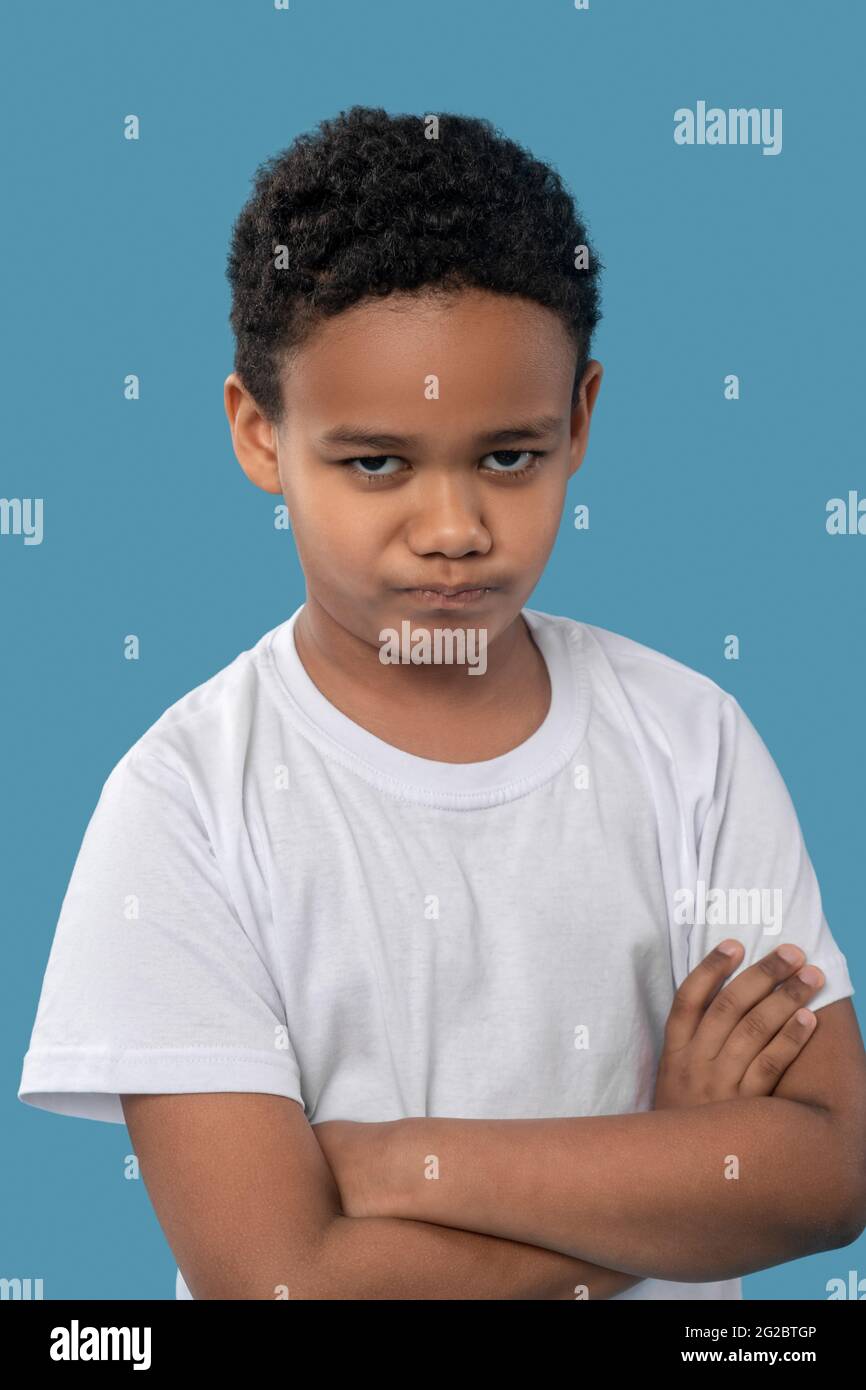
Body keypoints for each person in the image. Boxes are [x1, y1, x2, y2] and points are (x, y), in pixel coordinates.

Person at [18, 105, 866, 1300]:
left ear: (577, 419)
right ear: (259, 435)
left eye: (508, 456)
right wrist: (657, 1167)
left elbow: (825, 1172)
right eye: (376, 463)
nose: (454, 529)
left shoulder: (690, 742)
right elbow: (282, 1285)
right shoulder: (181, 807)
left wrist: (385, 1165)